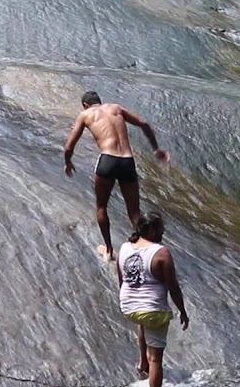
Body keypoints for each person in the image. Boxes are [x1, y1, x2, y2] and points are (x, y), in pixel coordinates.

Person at [63, 91, 170, 260]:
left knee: (101, 207)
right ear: (100, 101)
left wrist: (68, 162)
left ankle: (109, 250)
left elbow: (69, 146)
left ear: (85, 105)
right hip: (128, 162)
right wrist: (156, 149)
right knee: (135, 212)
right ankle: (146, 249)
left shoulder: (85, 114)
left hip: (108, 161)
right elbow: (144, 124)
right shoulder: (116, 108)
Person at [118, 212, 189, 387]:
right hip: (153, 310)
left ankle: (142, 363)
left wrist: (130, 299)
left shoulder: (124, 248)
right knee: (156, 358)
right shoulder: (161, 253)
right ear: (153, 230)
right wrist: (182, 311)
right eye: (161, 229)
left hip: (128, 307)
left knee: (144, 319)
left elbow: (121, 279)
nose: (163, 232)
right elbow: (173, 287)